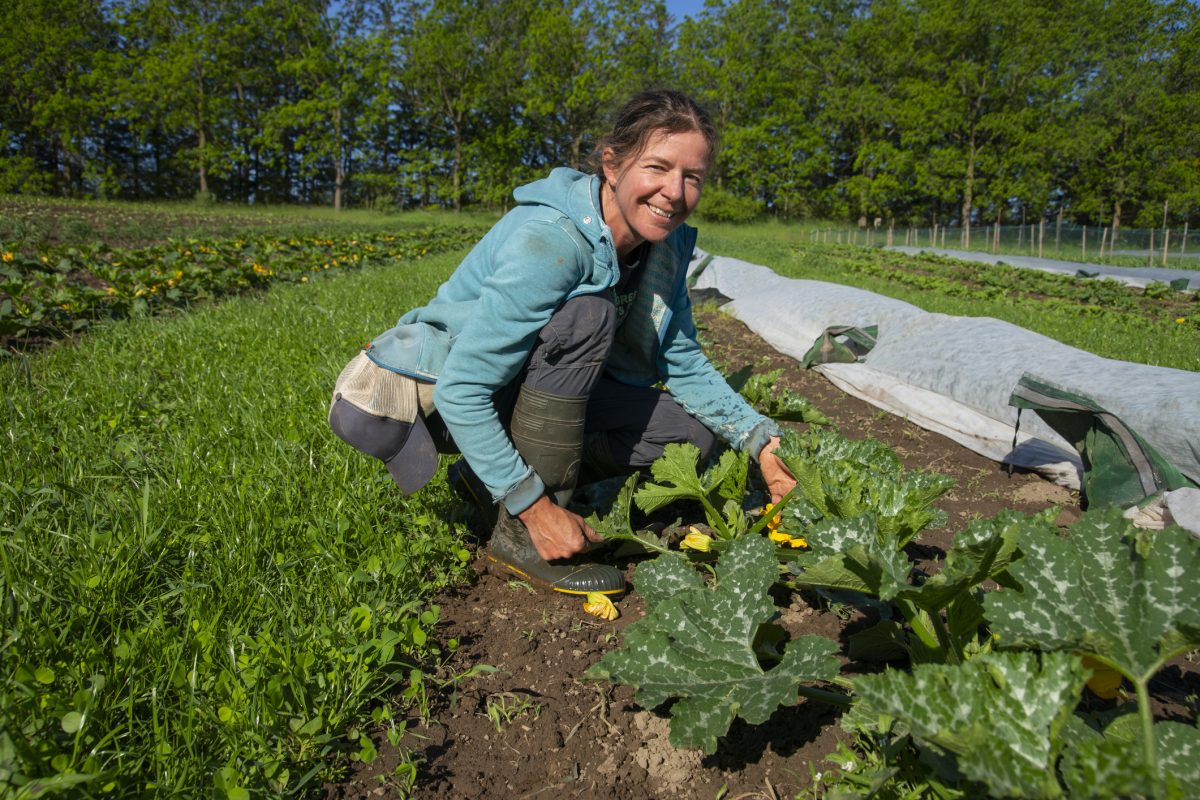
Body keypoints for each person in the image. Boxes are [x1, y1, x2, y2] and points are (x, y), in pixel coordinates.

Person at [329, 89, 796, 596]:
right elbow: (461, 389)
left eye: (693, 178)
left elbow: (680, 357)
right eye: (658, 168)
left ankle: (481, 478)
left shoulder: (666, 247)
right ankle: (523, 537)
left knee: (690, 435)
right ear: (612, 165)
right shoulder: (553, 241)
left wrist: (761, 441)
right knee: (587, 315)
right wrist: (536, 508)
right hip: (435, 400)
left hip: (524, 389)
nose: (674, 192)